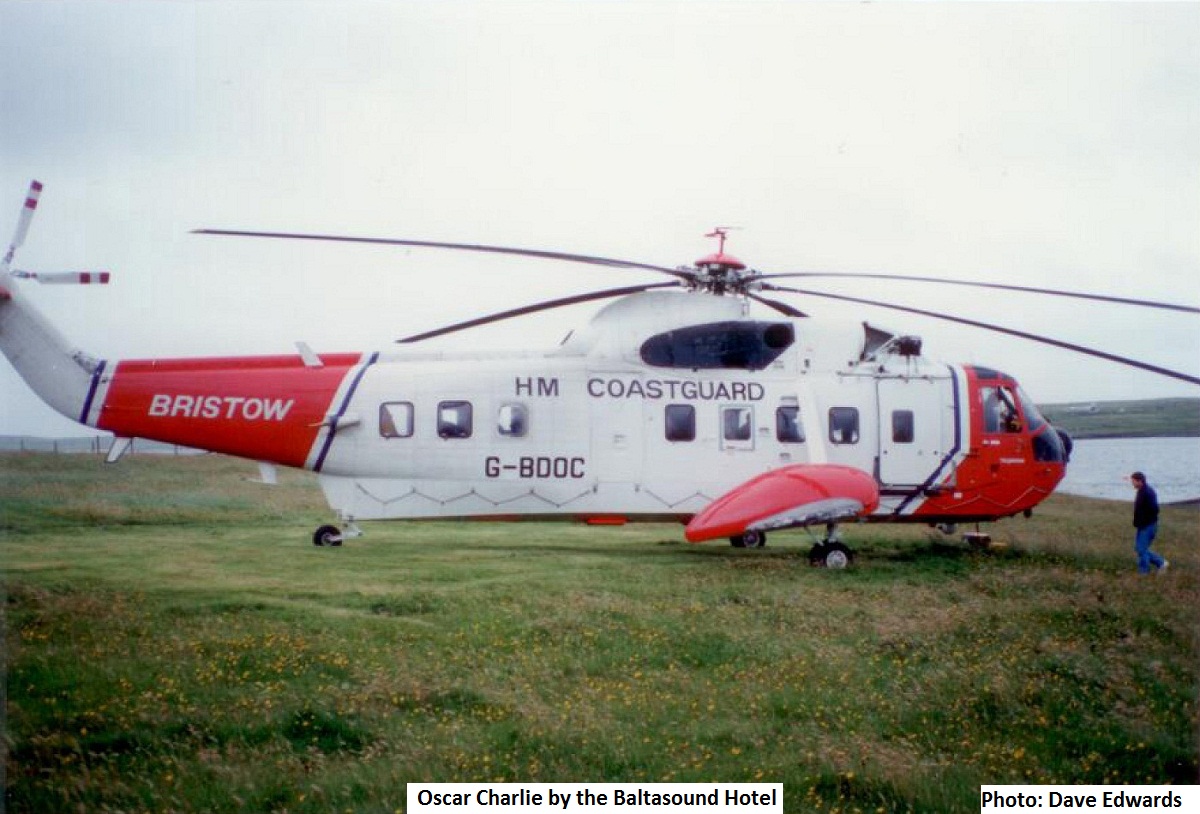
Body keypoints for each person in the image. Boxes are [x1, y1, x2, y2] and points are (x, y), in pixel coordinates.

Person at [1130, 471, 1167, 575]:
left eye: (1133, 481)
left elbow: (1155, 509)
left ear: (1140, 481)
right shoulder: (1141, 491)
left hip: (1148, 525)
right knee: (1139, 548)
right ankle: (1161, 563)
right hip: (1142, 525)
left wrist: (1145, 520)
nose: (1132, 484)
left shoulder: (1148, 492)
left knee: (1141, 549)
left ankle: (1144, 572)